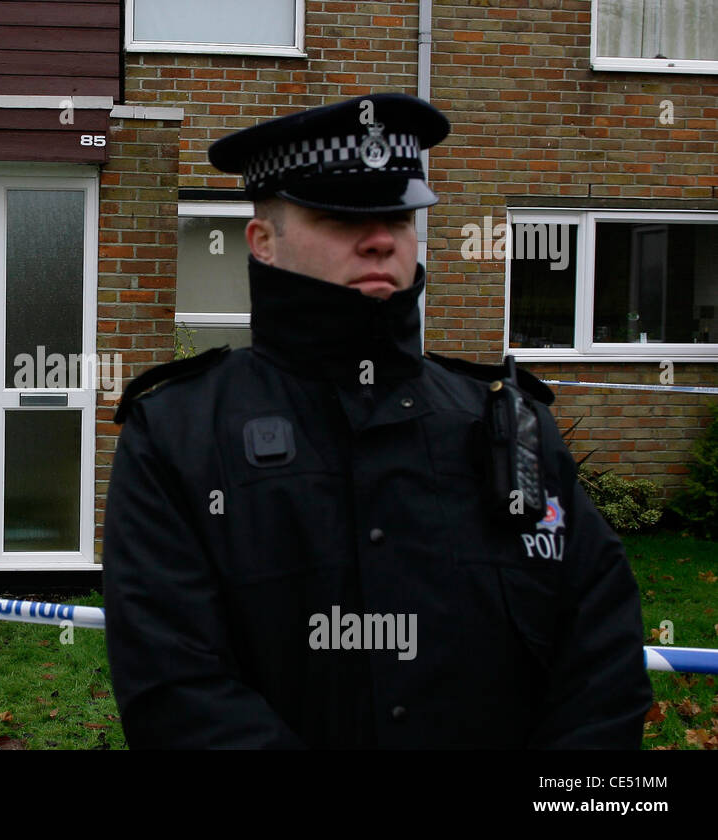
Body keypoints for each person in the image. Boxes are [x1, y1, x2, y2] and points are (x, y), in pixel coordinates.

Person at [102, 93, 652, 748]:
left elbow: (602, 654)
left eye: (400, 214)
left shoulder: (505, 424)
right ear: (263, 241)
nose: (381, 238)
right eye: (340, 215)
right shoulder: (180, 437)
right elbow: (176, 693)